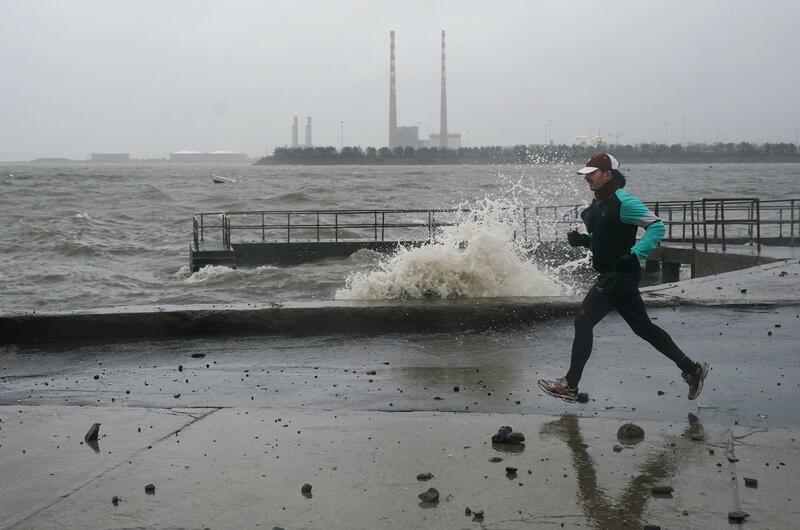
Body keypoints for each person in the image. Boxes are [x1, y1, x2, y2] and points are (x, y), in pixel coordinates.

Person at [538, 153, 709, 403]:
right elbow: (606, 241)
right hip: (614, 276)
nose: (588, 179)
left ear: (608, 174)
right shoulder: (598, 204)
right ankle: (691, 369)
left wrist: (636, 253)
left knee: (583, 323)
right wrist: (584, 241)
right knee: (644, 328)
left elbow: (657, 226)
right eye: (586, 174)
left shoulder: (624, 202)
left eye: (592, 174)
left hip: (619, 277)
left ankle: (570, 386)